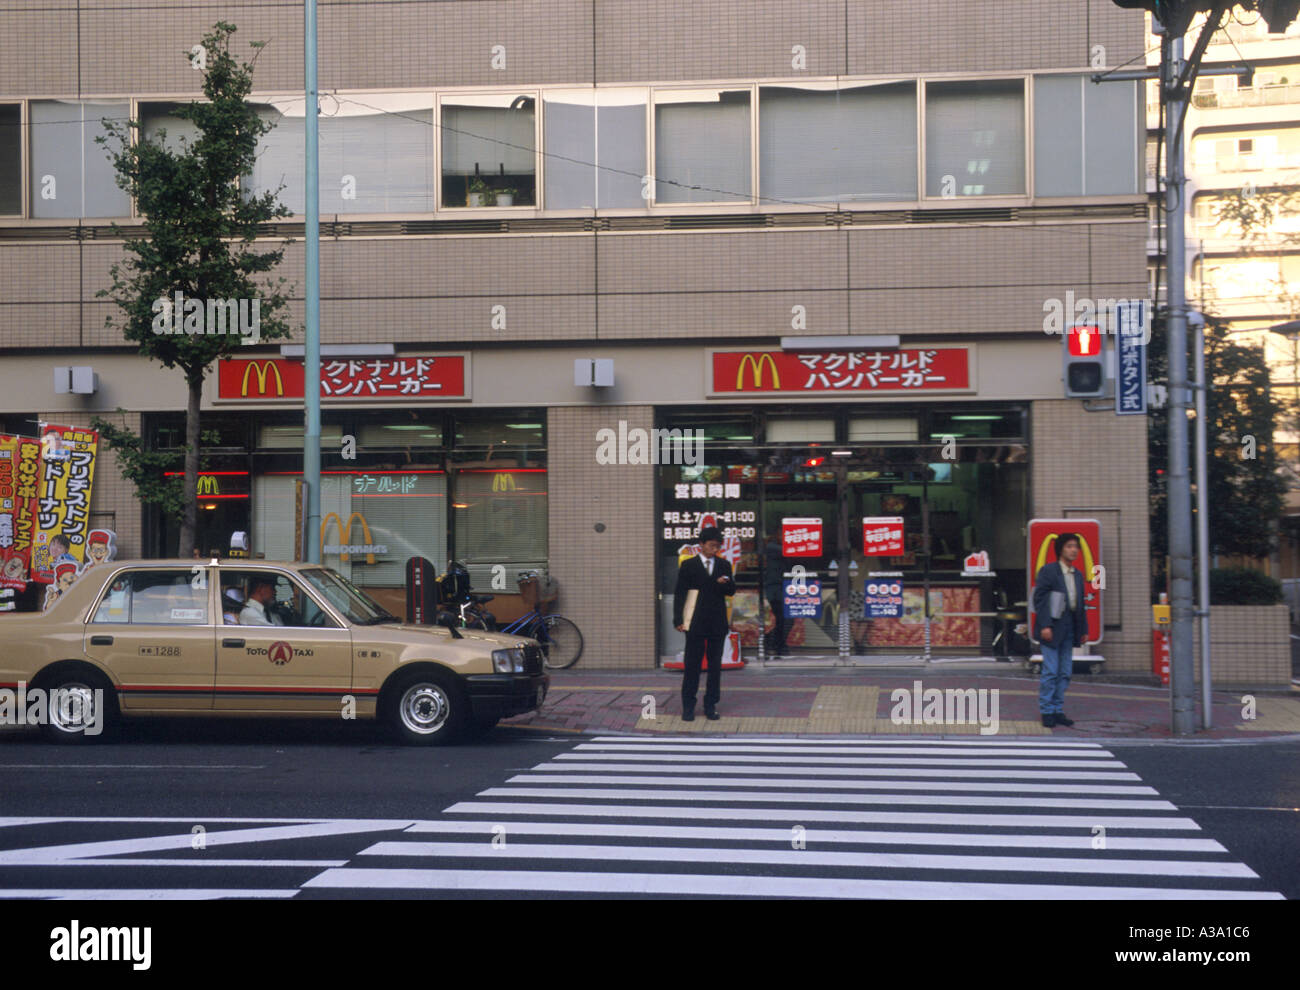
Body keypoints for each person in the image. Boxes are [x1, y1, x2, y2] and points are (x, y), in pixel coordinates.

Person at [673, 526, 735, 721]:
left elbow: (731, 590)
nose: (714, 549)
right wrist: (678, 619)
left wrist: (725, 583)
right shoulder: (689, 565)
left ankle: (711, 705)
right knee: (692, 665)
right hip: (695, 620)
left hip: (717, 620)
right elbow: (680, 593)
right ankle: (688, 706)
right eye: (711, 545)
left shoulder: (724, 565)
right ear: (701, 544)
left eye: (717, 546)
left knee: (715, 666)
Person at [1032, 532, 1088, 728]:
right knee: (1051, 671)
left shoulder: (1078, 574)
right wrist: (1045, 625)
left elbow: (1079, 604)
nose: (1074, 550)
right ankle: (1047, 710)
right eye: (1069, 546)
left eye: (1076, 547)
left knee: (1065, 672)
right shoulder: (1049, 571)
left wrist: (1083, 629)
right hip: (1052, 628)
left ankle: (1057, 709)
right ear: (1060, 550)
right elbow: (1039, 600)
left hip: (1070, 627)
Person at [762, 534, 787, 657]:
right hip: (772, 588)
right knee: (773, 619)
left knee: (782, 619)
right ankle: (773, 645)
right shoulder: (771, 547)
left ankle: (777, 644)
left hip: (781, 586)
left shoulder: (776, 548)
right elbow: (786, 551)